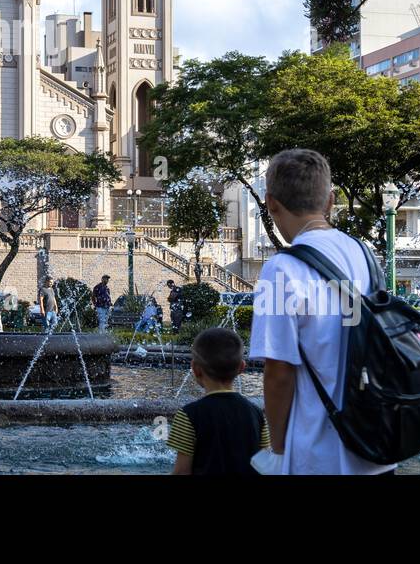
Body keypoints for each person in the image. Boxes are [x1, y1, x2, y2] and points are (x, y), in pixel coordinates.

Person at [249, 148, 396, 475]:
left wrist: (277, 449)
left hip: (318, 455)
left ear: (271, 202)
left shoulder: (280, 269)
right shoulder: (364, 253)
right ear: (330, 200)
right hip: (377, 446)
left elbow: (278, 371)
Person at [167, 327, 270, 475]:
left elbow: (181, 472)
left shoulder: (188, 416)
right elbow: (265, 466)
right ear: (242, 367)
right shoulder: (257, 414)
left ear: (195, 369)